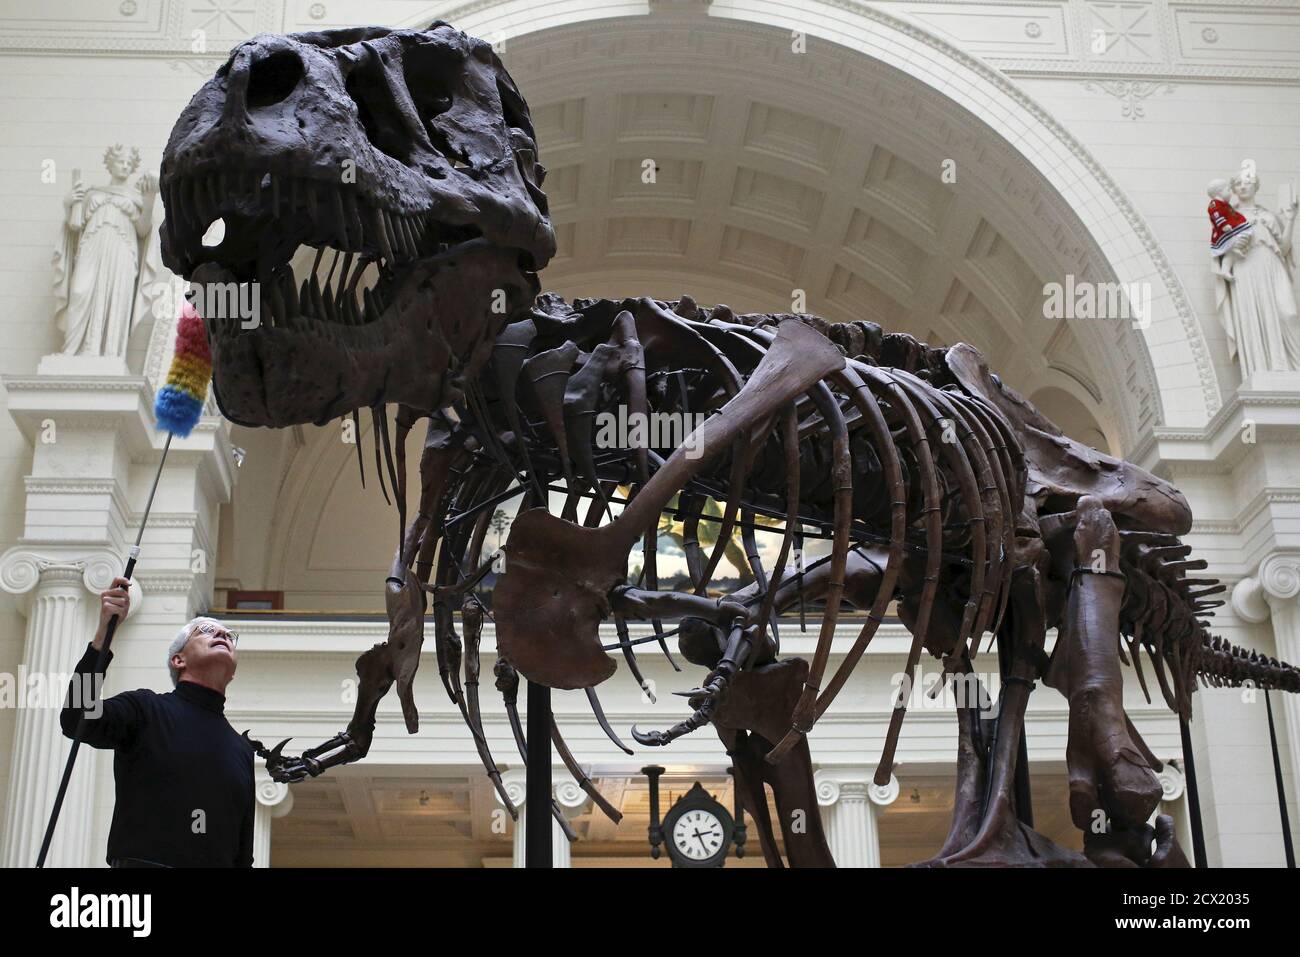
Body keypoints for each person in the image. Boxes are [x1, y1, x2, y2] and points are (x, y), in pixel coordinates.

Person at [60, 577, 255, 867]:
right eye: (205, 630)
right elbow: (77, 717)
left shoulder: (241, 749)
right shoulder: (145, 708)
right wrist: (103, 636)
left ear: (233, 673)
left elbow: (242, 855)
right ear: (178, 660)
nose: (223, 635)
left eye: (229, 635)